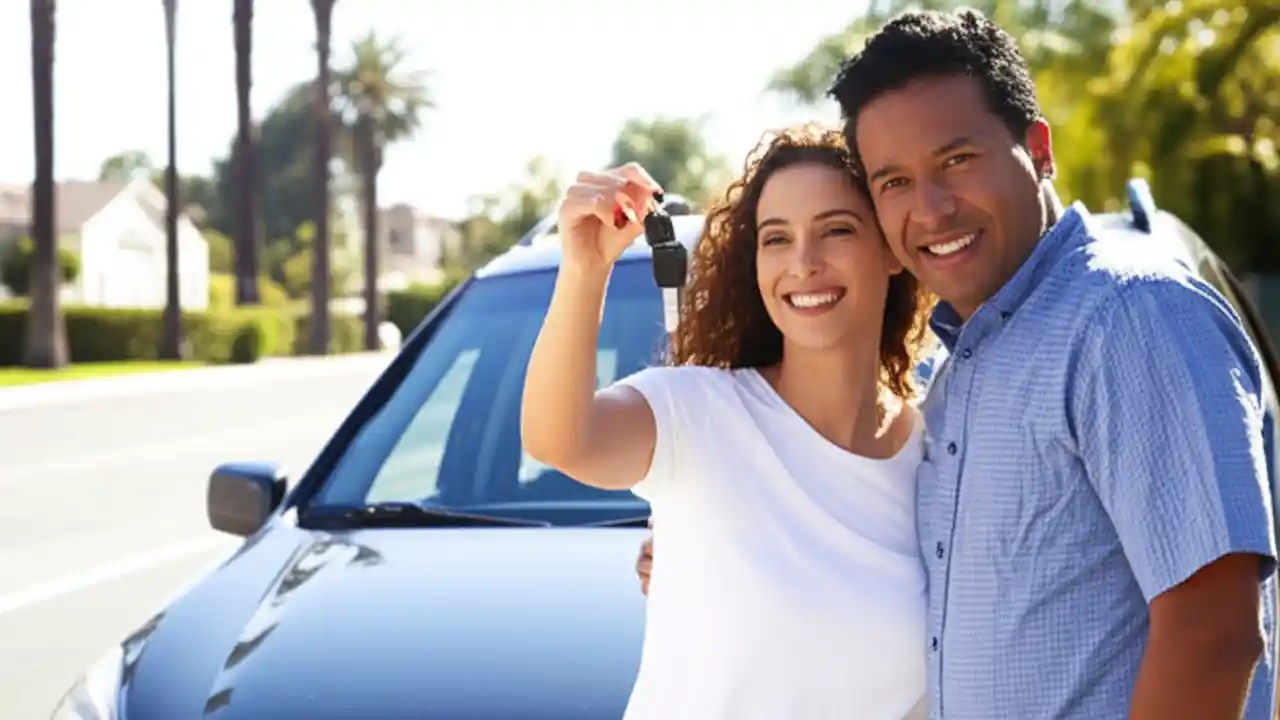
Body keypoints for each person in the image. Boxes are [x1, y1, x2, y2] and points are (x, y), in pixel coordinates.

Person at [639, 8, 1278, 719]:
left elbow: (1214, 634)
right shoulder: (960, 375)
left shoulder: (1127, 315)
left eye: (957, 161)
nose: (932, 208)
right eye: (894, 182)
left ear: (1038, 150)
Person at [521, 124, 933, 719]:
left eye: (836, 230)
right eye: (776, 239)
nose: (804, 263)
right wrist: (585, 271)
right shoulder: (699, 413)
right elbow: (560, 439)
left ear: (891, 248)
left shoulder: (936, 452)